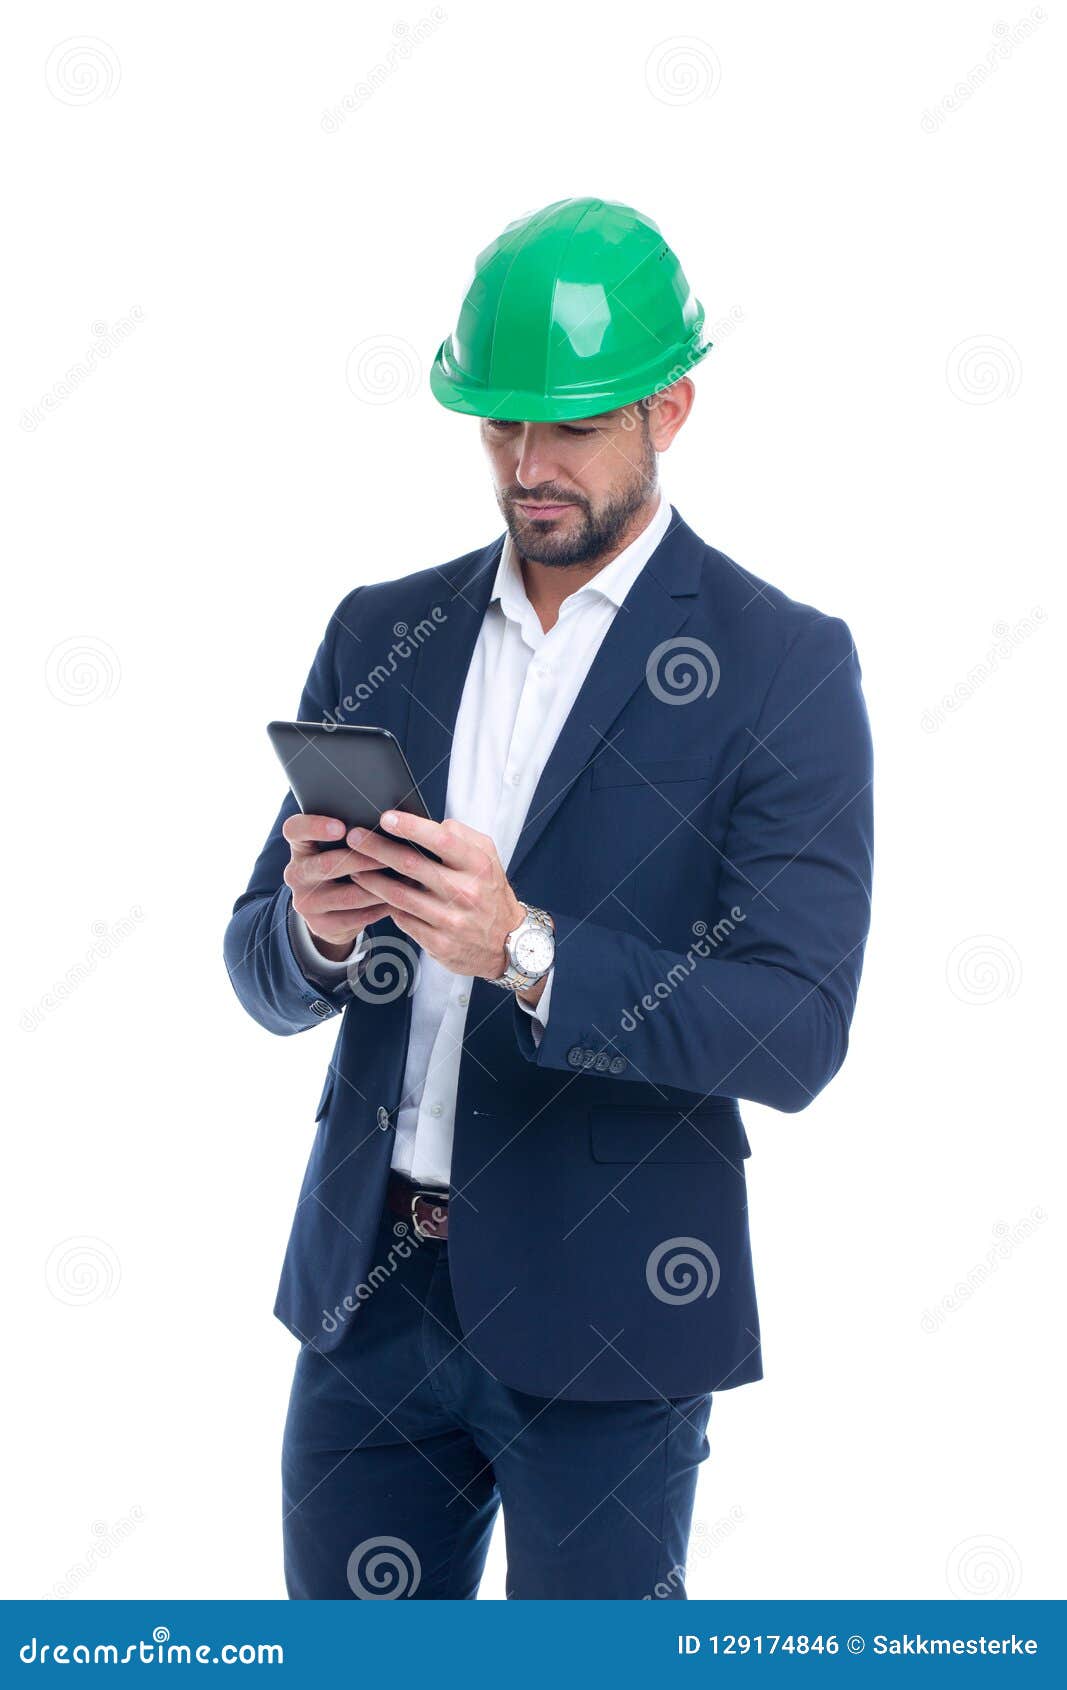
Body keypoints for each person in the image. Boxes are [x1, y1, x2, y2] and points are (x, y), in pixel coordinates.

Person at [223, 196, 874, 1601]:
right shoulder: (381, 629)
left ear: (671, 408)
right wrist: (318, 933)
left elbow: (798, 1029)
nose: (529, 465)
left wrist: (528, 952)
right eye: (502, 424)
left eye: (572, 426)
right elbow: (255, 966)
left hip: (614, 1318)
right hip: (366, 1299)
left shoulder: (780, 668)